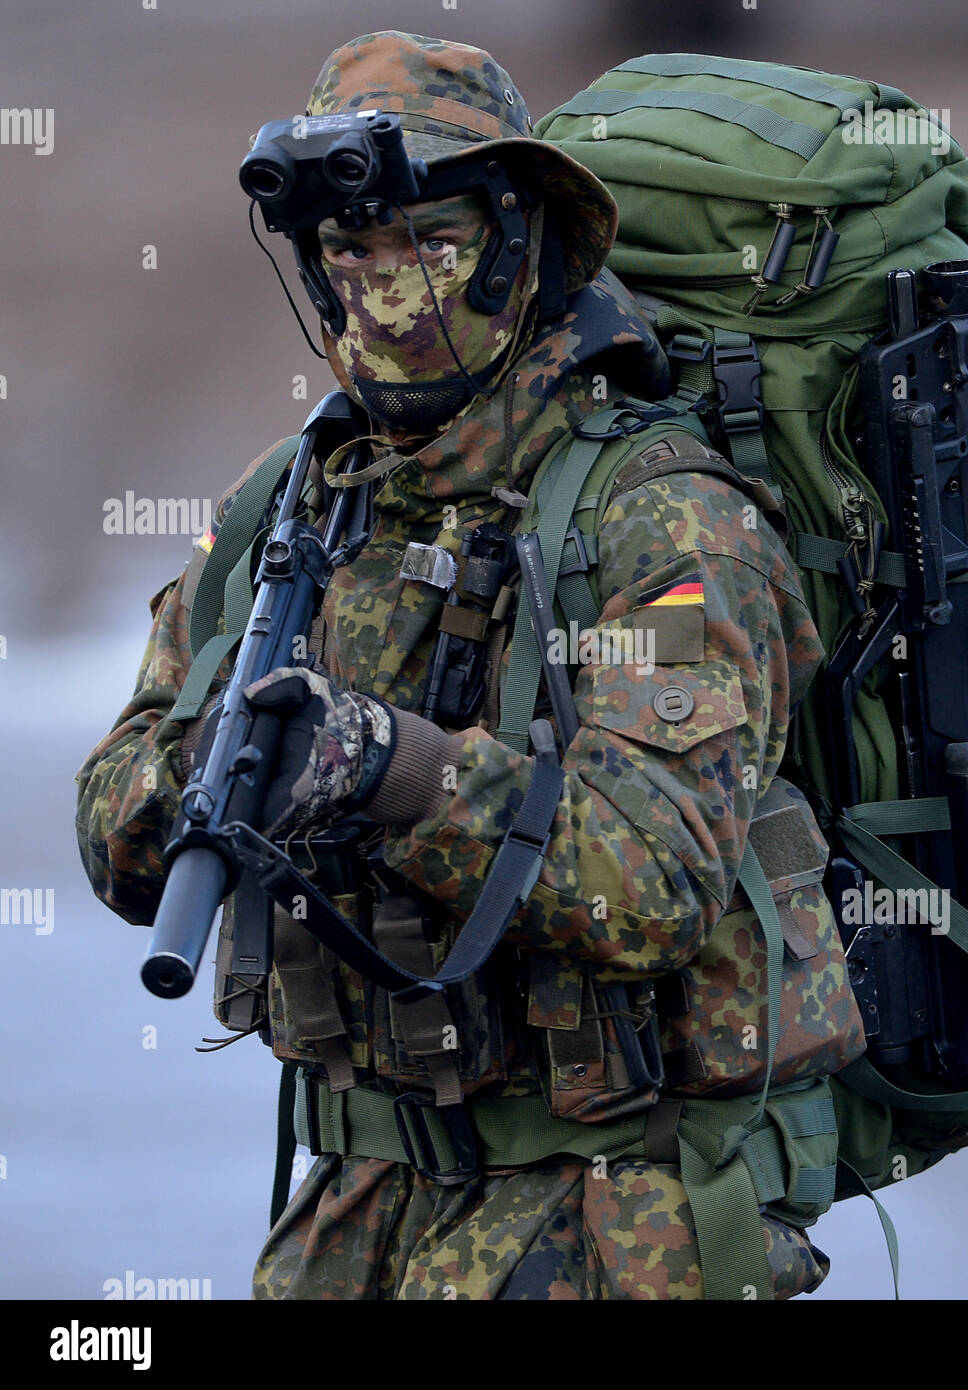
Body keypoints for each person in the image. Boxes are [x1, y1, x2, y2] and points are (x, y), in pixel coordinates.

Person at [75, 31, 841, 1300]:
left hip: (611, 1198)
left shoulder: (660, 520)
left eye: (430, 244)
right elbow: (114, 824)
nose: (387, 292)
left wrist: (393, 768)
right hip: (362, 1187)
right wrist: (212, 769)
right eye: (351, 252)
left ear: (517, 247)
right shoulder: (289, 507)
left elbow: (655, 877)